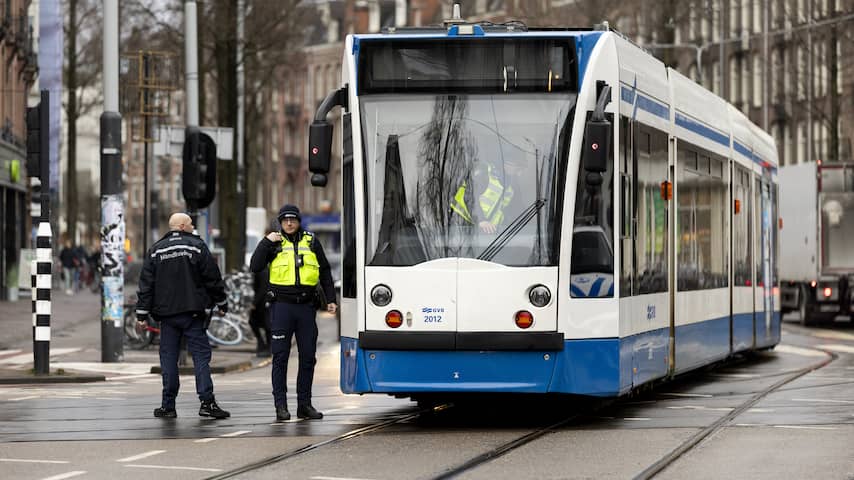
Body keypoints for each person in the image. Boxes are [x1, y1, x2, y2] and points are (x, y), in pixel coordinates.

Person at [136, 212, 230, 419]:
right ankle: (207, 403)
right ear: (181, 226)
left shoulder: (156, 250)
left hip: (166, 315)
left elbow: (146, 285)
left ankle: (168, 405)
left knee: (169, 358)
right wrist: (222, 303)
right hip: (192, 313)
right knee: (201, 357)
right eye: (190, 224)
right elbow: (212, 278)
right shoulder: (197, 246)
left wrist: (141, 314)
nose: (192, 227)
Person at [250, 204, 337, 422]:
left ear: (299, 221)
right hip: (282, 307)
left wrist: (331, 299)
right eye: (285, 220)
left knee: (308, 357)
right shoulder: (273, 243)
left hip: (306, 307)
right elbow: (255, 266)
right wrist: (266, 242)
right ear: (280, 222)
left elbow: (325, 270)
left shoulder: (311, 241)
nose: (289, 223)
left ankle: (304, 405)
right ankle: (280, 406)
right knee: (280, 357)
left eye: (293, 220)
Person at [450, 157, 525, 234]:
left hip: (489, 232)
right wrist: (481, 219)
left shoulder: (512, 185)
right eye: (518, 168)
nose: (520, 174)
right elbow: (470, 196)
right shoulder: (483, 172)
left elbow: (516, 210)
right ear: (507, 163)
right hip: (460, 227)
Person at [249, 226, 274, 357]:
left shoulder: (268, 252)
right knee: (258, 322)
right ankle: (264, 345)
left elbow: (263, 286)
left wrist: (255, 302)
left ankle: (266, 346)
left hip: (265, 298)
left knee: (265, 323)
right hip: (264, 297)